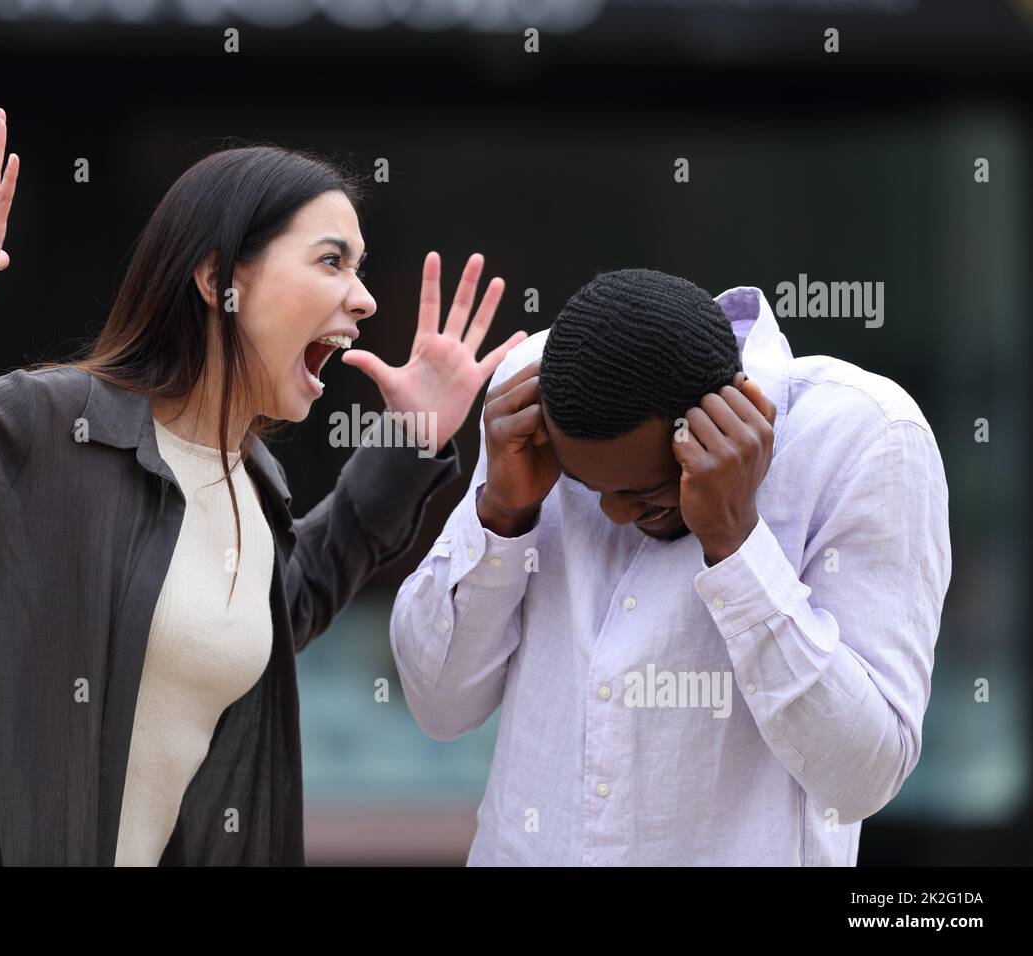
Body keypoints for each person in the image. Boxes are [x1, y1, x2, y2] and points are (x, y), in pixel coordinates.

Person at [0, 106, 527, 865]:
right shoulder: (43, 427)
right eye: (332, 261)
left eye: (358, 266)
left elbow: (285, 605)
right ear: (220, 277)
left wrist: (409, 443)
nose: (363, 298)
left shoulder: (252, 479)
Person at [389, 267, 952, 865]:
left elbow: (861, 778)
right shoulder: (536, 400)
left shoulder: (865, 441)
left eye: (648, 491)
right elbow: (440, 706)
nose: (613, 511)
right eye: (586, 487)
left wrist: (736, 545)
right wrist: (501, 514)